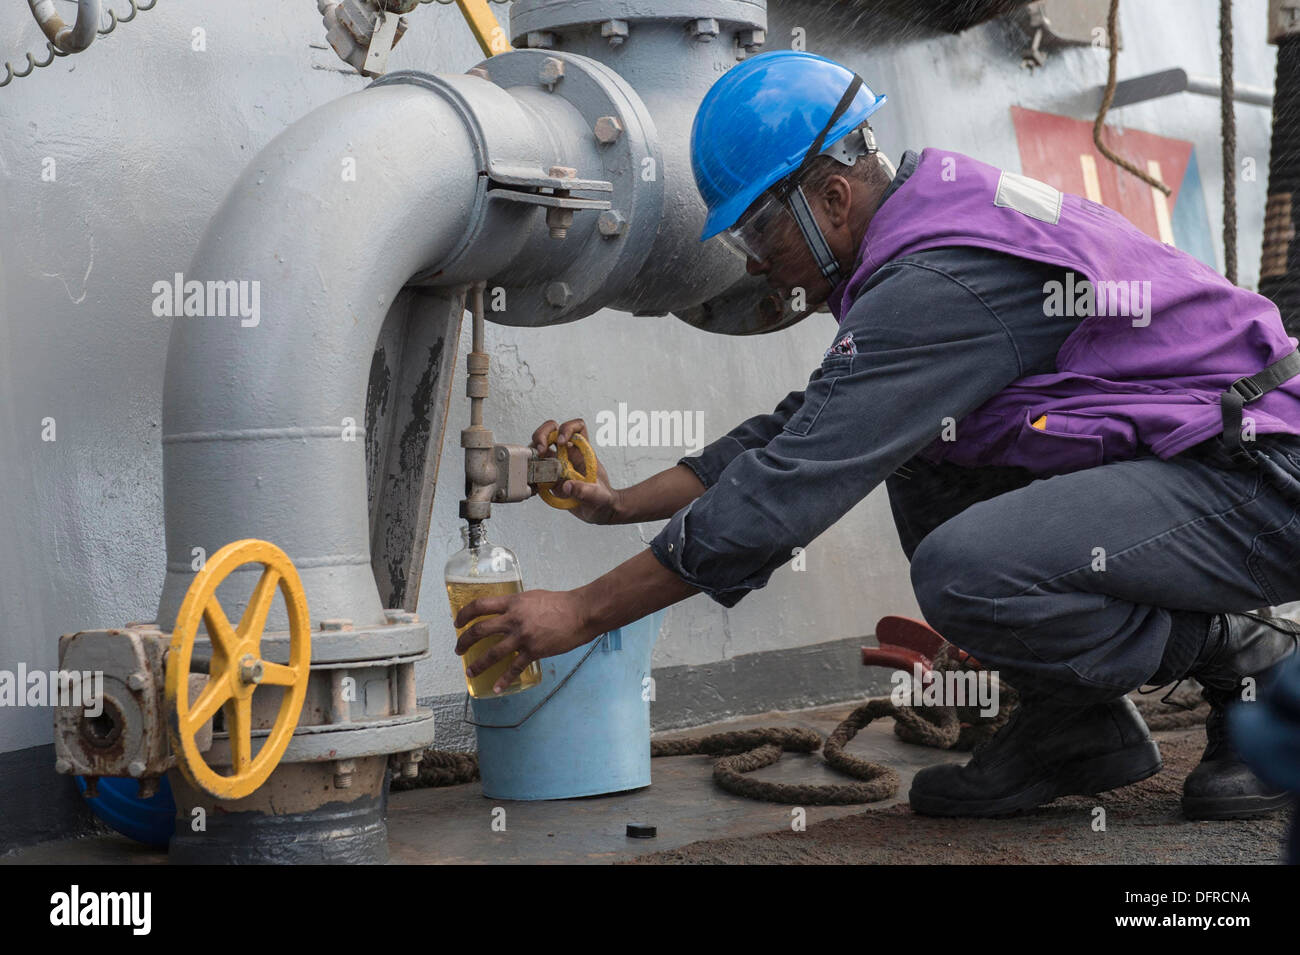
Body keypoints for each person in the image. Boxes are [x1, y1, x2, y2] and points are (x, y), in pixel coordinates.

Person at [454, 50, 1300, 820]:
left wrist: (581, 610)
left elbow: (789, 486)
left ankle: (1254, 658)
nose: (754, 262)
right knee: (921, 450)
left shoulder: (937, 279)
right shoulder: (926, 223)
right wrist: (620, 504)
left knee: (966, 571)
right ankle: (1075, 725)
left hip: (1263, 475)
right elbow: (814, 426)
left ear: (833, 196)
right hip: (1199, 459)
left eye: (759, 228)